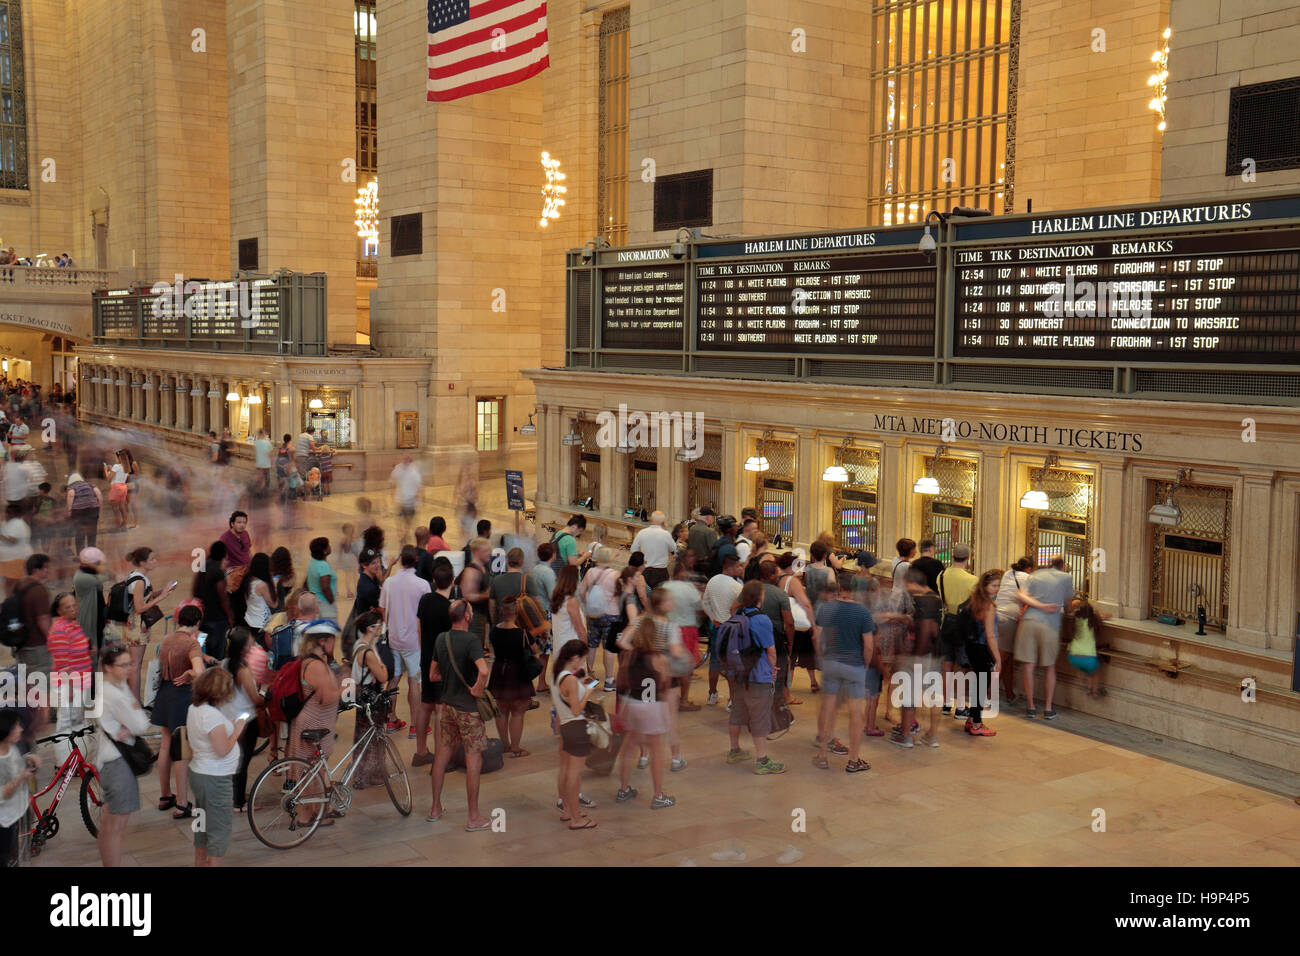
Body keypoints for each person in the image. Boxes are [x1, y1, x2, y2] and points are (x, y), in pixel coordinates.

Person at [428, 600, 491, 831]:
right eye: (471, 611)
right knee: (473, 758)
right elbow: (483, 670)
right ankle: (474, 817)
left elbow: (433, 675)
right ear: (466, 617)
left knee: (442, 756)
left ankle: (435, 808)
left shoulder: (441, 639)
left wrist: (451, 679)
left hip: (446, 707)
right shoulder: (472, 640)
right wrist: (477, 687)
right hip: (468, 710)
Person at [813, 571, 876, 774]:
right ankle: (853, 760)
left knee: (827, 709)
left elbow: (818, 637)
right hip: (854, 665)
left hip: (831, 662)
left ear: (839, 588)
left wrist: (822, 658)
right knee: (856, 713)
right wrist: (865, 665)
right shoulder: (863, 613)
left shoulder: (826, 608)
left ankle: (822, 755)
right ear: (855, 590)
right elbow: (868, 646)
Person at [95, 643, 151, 866]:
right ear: (108, 667)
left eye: (130, 664)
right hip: (118, 765)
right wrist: (134, 715)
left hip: (108, 759)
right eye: (123, 665)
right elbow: (141, 725)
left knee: (109, 824)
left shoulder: (108, 686)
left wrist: (130, 721)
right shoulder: (115, 694)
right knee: (116, 828)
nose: (128, 669)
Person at [721, 580, 785, 774]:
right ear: (760, 597)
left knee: (737, 712)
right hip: (758, 675)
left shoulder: (738, 615)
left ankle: (734, 750)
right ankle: (762, 760)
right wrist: (773, 669)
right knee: (760, 718)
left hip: (739, 674)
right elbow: (771, 650)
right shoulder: (762, 620)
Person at [186, 667, 247, 866]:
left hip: (199, 774)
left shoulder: (195, 708)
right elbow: (222, 750)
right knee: (219, 829)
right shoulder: (210, 714)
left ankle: (200, 863)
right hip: (215, 779)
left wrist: (226, 725)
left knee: (202, 826)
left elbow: (209, 733)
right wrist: (237, 730)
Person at [154, 605, 209, 820]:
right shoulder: (191, 643)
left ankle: (165, 795)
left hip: (164, 692)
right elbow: (200, 673)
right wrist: (190, 673)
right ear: (197, 623)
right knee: (181, 752)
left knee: (166, 744)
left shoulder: (167, 639)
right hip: (181, 697)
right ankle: (182, 803)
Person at [615, 615, 676, 809]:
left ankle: (623, 789)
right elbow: (665, 685)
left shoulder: (628, 655)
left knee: (628, 748)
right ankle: (658, 795)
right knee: (656, 750)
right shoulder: (659, 658)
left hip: (632, 703)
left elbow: (622, 681)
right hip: (652, 705)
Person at [288, 621, 342, 825]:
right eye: (332, 640)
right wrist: (346, 690)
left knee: (311, 769)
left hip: (315, 720)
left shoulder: (315, 661)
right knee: (313, 769)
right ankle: (312, 815)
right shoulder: (316, 665)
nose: (334, 644)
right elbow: (326, 697)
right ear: (323, 641)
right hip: (314, 721)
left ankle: (312, 813)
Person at [379, 545, 430, 738]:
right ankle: (416, 725)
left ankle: (391, 719)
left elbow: (382, 609)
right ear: (416, 560)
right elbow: (425, 613)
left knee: (394, 678)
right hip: (414, 640)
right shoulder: (422, 585)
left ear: (400, 560)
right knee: (414, 681)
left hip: (393, 638)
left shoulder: (389, 583)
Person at [1015, 556, 1073, 719]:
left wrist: (1038, 605)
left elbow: (1021, 596)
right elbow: (1068, 607)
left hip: (1028, 622)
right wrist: (1049, 607)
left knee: (1028, 665)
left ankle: (1031, 707)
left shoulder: (1035, 575)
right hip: (1050, 625)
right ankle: (1048, 709)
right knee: (1049, 667)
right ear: (1062, 566)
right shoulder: (1066, 577)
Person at [551, 637, 598, 829]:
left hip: (564, 726)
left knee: (565, 770)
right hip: (576, 726)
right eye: (582, 659)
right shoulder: (569, 680)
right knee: (574, 775)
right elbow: (577, 710)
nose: (582, 663)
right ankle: (576, 819)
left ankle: (568, 811)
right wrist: (587, 692)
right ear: (575, 657)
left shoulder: (557, 675)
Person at [413, 562, 454, 767]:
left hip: (426, 657)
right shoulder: (449, 609)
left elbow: (419, 629)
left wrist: (424, 651)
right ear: (452, 582)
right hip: (441, 665)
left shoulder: (425, 600)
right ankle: (440, 756)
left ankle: (421, 752)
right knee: (440, 709)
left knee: (425, 705)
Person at [346, 610, 393, 788]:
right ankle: (371, 775)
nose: (381, 627)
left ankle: (363, 775)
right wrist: (382, 667)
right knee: (374, 736)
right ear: (370, 628)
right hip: (372, 697)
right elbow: (383, 676)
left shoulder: (361, 644)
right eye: (378, 625)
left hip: (364, 696)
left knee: (363, 735)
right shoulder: (369, 652)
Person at [218, 628, 262, 813]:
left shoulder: (224, 664)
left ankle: (236, 794)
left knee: (235, 758)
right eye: (250, 644)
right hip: (245, 719)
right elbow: (255, 698)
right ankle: (239, 803)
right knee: (242, 761)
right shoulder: (242, 670)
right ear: (243, 647)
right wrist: (266, 698)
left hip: (228, 717)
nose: (253, 646)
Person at [864, 572, 914, 734]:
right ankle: (870, 714)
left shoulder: (902, 594)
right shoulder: (872, 595)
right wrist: (887, 616)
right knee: (877, 676)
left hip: (896, 640)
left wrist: (899, 617)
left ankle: (889, 710)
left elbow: (911, 615)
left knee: (893, 676)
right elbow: (867, 616)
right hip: (878, 640)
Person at [48, 592, 94, 760]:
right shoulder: (59, 629)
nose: (74, 609)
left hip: (80, 682)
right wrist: (69, 688)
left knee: (77, 721)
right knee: (66, 723)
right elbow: (62, 663)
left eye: (75, 605)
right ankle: (65, 760)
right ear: (59, 611)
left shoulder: (73, 624)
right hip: (68, 685)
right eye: (68, 607)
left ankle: (76, 757)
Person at [487, 597, 536, 757]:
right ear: (517, 612)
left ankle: (505, 745)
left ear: (502, 611)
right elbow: (535, 651)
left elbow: (491, 648)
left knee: (501, 711)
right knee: (518, 712)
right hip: (518, 673)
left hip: (499, 671)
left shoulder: (494, 631)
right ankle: (515, 748)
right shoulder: (522, 634)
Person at [937, 543, 979, 715]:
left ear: (952, 555)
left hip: (945, 623)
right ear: (968, 558)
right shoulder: (972, 580)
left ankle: (946, 704)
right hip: (963, 627)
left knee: (946, 666)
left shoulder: (941, 575)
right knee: (962, 667)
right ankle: (961, 706)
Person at [963, 570, 1004, 737]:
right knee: (981, 686)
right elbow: (990, 635)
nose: (997, 589)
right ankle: (977, 724)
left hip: (971, 646)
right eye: (994, 585)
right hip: (982, 648)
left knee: (977, 685)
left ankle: (972, 719)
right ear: (985, 585)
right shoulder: (988, 605)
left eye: (999, 586)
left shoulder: (974, 600)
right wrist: (998, 658)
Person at [659, 560, 704, 710]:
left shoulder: (665, 586)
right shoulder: (689, 588)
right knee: (686, 667)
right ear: (681, 572)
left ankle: (666, 697)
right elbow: (699, 607)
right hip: (686, 629)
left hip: (667, 627)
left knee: (667, 665)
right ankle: (684, 700)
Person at [702, 554, 744, 706]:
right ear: (731, 567)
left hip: (716, 626)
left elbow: (705, 603)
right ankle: (732, 700)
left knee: (714, 662)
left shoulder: (712, 581)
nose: (741, 568)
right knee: (732, 665)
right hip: (731, 629)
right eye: (739, 566)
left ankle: (712, 694)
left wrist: (713, 617)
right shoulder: (737, 587)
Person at [0, 709, 39, 865]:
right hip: (3, 821)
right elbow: (3, 794)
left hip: (13, 817)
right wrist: (21, 777)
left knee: (11, 853)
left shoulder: (11, 747)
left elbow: (15, 765)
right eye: (16, 726)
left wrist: (28, 758)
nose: (21, 729)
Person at [777, 551, 818, 697]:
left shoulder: (777, 578)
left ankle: (785, 691)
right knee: (792, 660)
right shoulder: (792, 581)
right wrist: (813, 624)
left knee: (790, 658)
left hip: (782, 623)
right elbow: (806, 604)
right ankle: (786, 695)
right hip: (796, 626)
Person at [994, 557, 1033, 703]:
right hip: (1010, 620)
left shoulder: (1008, 573)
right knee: (1001, 660)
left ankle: (1010, 694)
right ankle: (987, 695)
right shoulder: (1027, 577)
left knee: (1007, 660)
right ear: (1029, 568)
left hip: (997, 616)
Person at [757, 560, 795, 707]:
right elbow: (789, 623)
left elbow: (734, 608)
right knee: (778, 670)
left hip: (753, 636)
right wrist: (790, 643)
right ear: (770, 575)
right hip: (775, 637)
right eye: (776, 574)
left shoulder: (750, 589)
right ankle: (776, 704)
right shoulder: (780, 595)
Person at [579, 559, 621, 687]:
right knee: (608, 648)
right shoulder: (615, 574)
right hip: (611, 614)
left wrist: (587, 605)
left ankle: (588, 679)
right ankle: (609, 681)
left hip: (593, 614)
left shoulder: (590, 572)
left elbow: (581, 591)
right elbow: (620, 595)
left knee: (592, 646)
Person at [193, 539, 235, 660]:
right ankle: (216, 673)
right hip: (217, 619)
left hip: (202, 617)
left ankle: (202, 667)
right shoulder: (217, 572)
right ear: (224, 554)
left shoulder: (204, 566)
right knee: (218, 651)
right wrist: (230, 616)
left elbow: (195, 587)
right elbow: (223, 597)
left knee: (202, 646)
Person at [1064, 596, 1109, 697]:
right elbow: (1105, 616)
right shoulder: (1093, 621)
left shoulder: (1076, 620)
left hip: (1073, 657)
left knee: (1088, 671)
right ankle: (1095, 691)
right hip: (1089, 658)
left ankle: (1088, 687)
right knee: (1095, 671)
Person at [528, 542, 557, 691]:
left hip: (533, 611)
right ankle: (541, 682)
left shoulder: (534, 569)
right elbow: (553, 595)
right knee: (545, 651)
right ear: (552, 555)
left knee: (536, 648)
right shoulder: (548, 572)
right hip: (545, 612)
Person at [72, 547, 110, 655]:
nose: (100, 565)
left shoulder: (88, 573)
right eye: (97, 563)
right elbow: (107, 575)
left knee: (96, 648)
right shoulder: (82, 578)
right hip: (88, 621)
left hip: (97, 618)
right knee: (89, 654)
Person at [457, 536, 493, 649]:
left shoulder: (484, 567)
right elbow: (467, 595)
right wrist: (487, 595)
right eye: (485, 551)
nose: (489, 554)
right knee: (473, 650)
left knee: (479, 648)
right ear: (476, 552)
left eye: (489, 551)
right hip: (473, 618)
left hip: (481, 616)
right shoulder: (471, 571)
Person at [630, 511, 675, 589]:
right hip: (661, 571)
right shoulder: (666, 534)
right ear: (663, 522)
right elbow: (673, 548)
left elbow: (633, 550)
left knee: (645, 594)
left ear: (651, 520)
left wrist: (642, 560)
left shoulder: (642, 532)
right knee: (660, 597)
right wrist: (665, 530)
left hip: (645, 570)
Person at [243, 551, 278, 639]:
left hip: (250, 619)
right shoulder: (262, 585)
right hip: (260, 624)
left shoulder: (247, 579)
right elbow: (274, 604)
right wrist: (275, 586)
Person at [488, 547, 526, 624]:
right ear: (522, 562)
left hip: (502, 624)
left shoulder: (496, 580)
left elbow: (492, 605)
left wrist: (494, 623)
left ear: (507, 561)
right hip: (521, 625)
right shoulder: (527, 580)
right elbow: (536, 603)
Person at [305, 536, 338, 623]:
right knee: (329, 631)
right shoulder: (323, 565)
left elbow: (306, 583)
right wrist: (331, 601)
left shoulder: (312, 562)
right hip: (325, 604)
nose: (330, 547)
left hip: (315, 602)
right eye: (328, 545)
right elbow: (325, 588)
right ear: (324, 551)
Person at [65, 472, 101, 552]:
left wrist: (69, 511)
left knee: (79, 532)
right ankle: (92, 552)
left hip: (78, 511)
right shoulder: (90, 484)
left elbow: (71, 495)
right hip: (93, 509)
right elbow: (98, 493)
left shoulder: (72, 486)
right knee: (92, 531)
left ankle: (81, 554)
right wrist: (99, 506)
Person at [390, 454, 423, 524]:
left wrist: (418, 496)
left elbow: (419, 485)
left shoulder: (414, 471)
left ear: (410, 461)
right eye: (404, 459)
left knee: (408, 518)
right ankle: (402, 531)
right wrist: (392, 494)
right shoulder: (398, 468)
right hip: (400, 499)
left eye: (407, 459)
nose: (405, 461)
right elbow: (392, 480)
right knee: (400, 517)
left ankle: (406, 531)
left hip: (410, 500)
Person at [104, 459, 130, 531]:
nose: (115, 459)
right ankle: (124, 526)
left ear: (119, 458)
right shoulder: (126, 467)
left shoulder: (116, 466)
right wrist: (111, 469)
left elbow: (109, 479)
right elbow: (119, 476)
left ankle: (117, 527)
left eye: (116, 457)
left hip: (116, 488)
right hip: (123, 487)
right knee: (122, 507)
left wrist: (106, 470)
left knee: (115, 509)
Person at [251, 428, 274, 496]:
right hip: (266, 464)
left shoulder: (256, 443)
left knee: (260, 479)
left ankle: (259, 492)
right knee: (266, 479)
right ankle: (265, 492)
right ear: (264, 434)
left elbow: (256, 452)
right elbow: (269, 454)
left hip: (258, 464)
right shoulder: (267, 443)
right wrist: (272, 462)